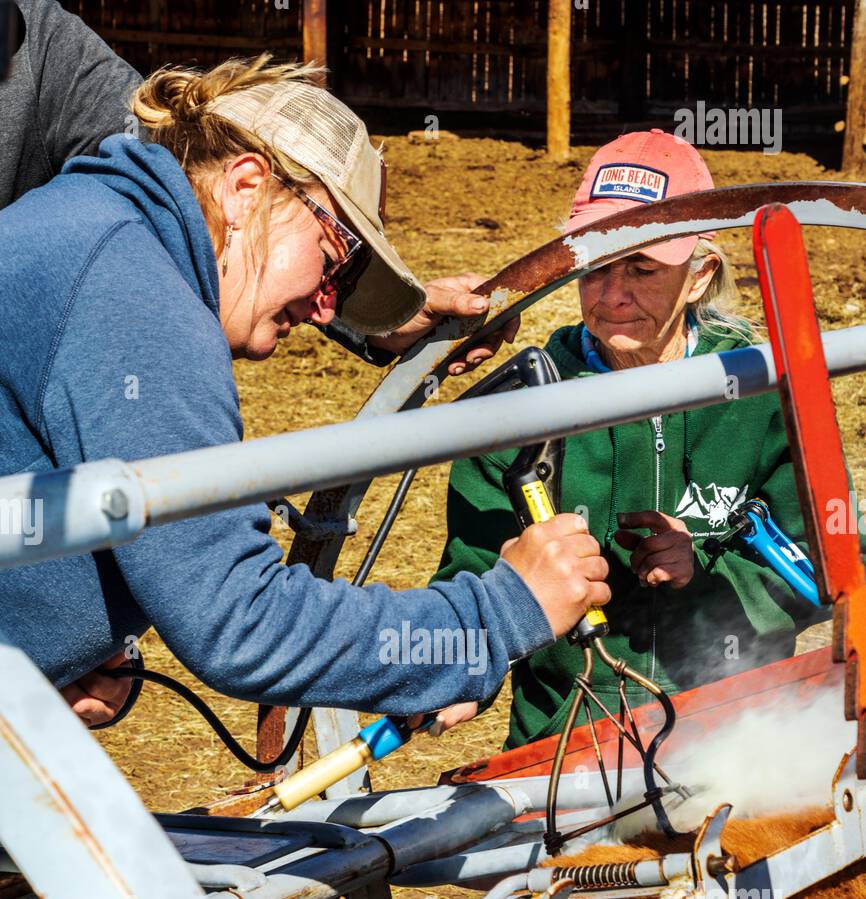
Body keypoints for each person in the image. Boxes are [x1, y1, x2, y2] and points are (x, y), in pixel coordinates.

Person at [0, 55, 610, 731]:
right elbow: (240, 619)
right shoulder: (138, 297)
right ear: (246, 186)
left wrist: (49, 644)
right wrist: (495, 618)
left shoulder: (99, 231)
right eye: (335, 261)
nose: (326, 311)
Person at [431, 129, 822, 749]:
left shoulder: (756, 392)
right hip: (565, 749)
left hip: (739, 738)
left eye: (642, 268)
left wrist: (709, 574)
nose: (613, 296)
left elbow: (818, 564)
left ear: (700, 276)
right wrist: (456, 670)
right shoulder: (523, 402)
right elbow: (473, 570)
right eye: (597, 267)